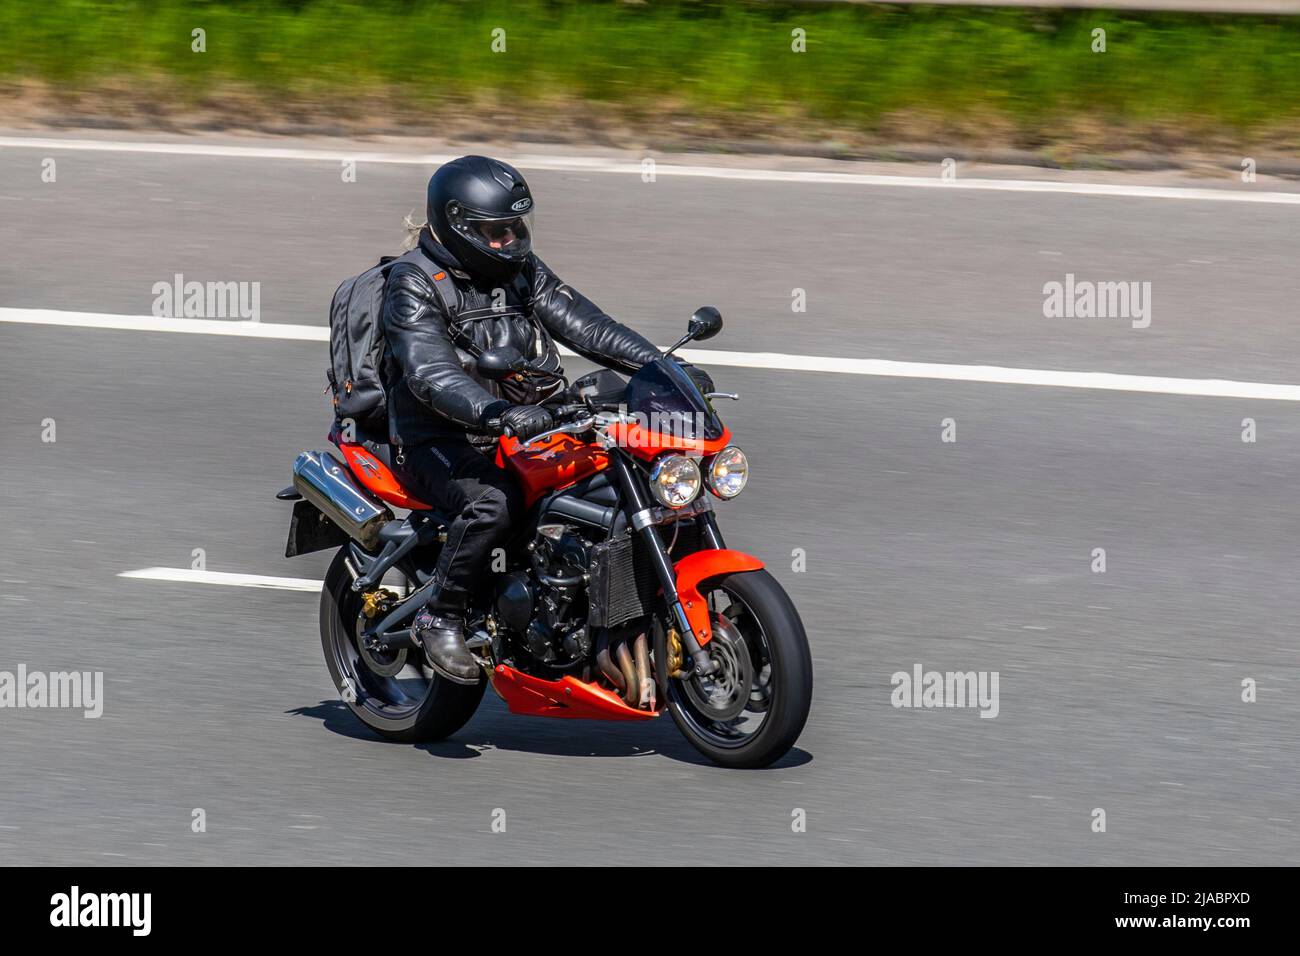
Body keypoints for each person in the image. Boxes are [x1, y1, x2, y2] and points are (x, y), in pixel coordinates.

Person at [375, 155, 713, 684]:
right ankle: (439, 615)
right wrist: (499, 413)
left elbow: (590, 327)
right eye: (495, 231)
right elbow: (430, 374)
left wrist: (666, 366)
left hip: (532, 422)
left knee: (629, 478)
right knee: (495, 502)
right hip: (439, 436)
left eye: (516, 227)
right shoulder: (413, 284)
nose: (510, 240)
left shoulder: (519, 271)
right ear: (457, 226)